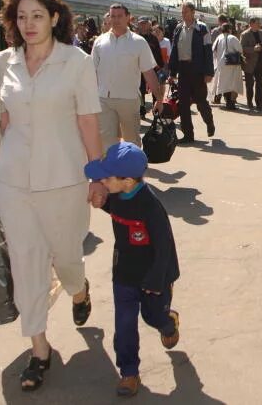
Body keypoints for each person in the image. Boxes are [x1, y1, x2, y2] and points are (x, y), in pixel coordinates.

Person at [0, 0, 105, 392]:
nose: (29, 24)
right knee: (25, 260)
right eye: (21, 16)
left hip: (64, 176)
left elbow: (88, 121)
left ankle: (78, 288)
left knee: (67, 253)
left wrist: (97, 174)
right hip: (14, 178)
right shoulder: (3, 62)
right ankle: (39, 348)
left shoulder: (77, 62)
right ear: (13, 22)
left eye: (37, 15)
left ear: (54, 18)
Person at [85, 141, 180, 397]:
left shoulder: (151, 207)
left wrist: (157, 279)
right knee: (124, 324)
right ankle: (129, 372)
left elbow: (164, 248)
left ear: (127, 180)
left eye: (106, 177)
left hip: (153, 276)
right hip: (125, 272)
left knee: (152, 318)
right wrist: (99, 201)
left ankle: (168, 322)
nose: (102, 180)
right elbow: (113, 206)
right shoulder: (116, 195)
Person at [93, 4, 163, 149]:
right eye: (113, 16)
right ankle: (112, 169)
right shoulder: (100, 42)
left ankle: (134, 168)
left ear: (128, 17)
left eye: (119, 16)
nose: (116, 20)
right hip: (103, 99)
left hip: (129, 99)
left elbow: (149, 72)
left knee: (131, 140)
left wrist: (159, 99)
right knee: (107, 141)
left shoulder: (138, 42)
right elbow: (91, 72)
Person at [168, 2, 215, 144]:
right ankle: (188, 135)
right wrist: (172, 72)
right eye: (182, 12)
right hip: (183, 70)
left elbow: (208, 51)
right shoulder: (177, 29)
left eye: (186, 12)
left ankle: (209, 122)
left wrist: (208, 72)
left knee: (200, 102)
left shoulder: (202, 28)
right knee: (183, 104)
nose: (183, 14)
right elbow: (174, 52)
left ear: (193, 12)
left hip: (198, 70)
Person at [239, 17, 262, 111]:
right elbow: (242, 48)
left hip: (259, 62)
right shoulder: (244, 34)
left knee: (260, 84)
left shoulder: (261, 33)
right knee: (249, 84)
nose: (259, 24)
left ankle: (259, 103)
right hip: (249, 63)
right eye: (257, 23)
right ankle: (249, 102)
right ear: (251, 24)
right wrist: (253, 49)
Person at [136, 17, 165, 118]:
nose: (143, 26)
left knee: (155, 89)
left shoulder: (153, 38)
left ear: (149, 25)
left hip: (152, 68)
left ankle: (156, 109)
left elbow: (158, 53)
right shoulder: (134, 38)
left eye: (145, 23)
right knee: (140, 89)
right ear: (138, 25)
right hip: (138, 69)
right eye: (141, 23)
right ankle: (141, 109)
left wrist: (161, 67)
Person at [211, 23, 245, 110]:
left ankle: (224, 100)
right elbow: (240, 50)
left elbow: (213, 50)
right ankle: (231, 103)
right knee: (232, 84)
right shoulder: (233, 38)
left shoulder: (219, 38)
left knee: (223, 83)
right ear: (230, 29)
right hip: (232, 64)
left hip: (221, 65)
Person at [209, 14, 229, 104]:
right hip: (229, 59)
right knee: (227, 78)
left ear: (219, 21)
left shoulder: (215, 31)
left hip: (217, 58)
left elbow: (212, 44)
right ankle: (228, 98)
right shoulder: (230, 30)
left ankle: (218, 97)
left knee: (218, 79)